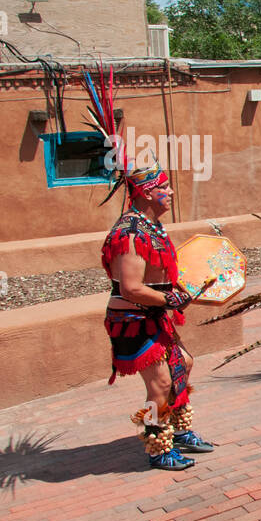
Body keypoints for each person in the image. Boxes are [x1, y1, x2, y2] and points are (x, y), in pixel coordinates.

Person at [85, 68, 211, 471]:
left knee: (184, 365)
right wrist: (170, 298)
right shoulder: (131, 233)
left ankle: (179, 426)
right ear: (146, 193)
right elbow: (132, 287)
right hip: (134, 320)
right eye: (164, 187)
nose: (171, 192)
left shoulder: (151, 226)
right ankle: (158, 445)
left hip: (154, 314)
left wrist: (176, 293)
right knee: (158, 384)